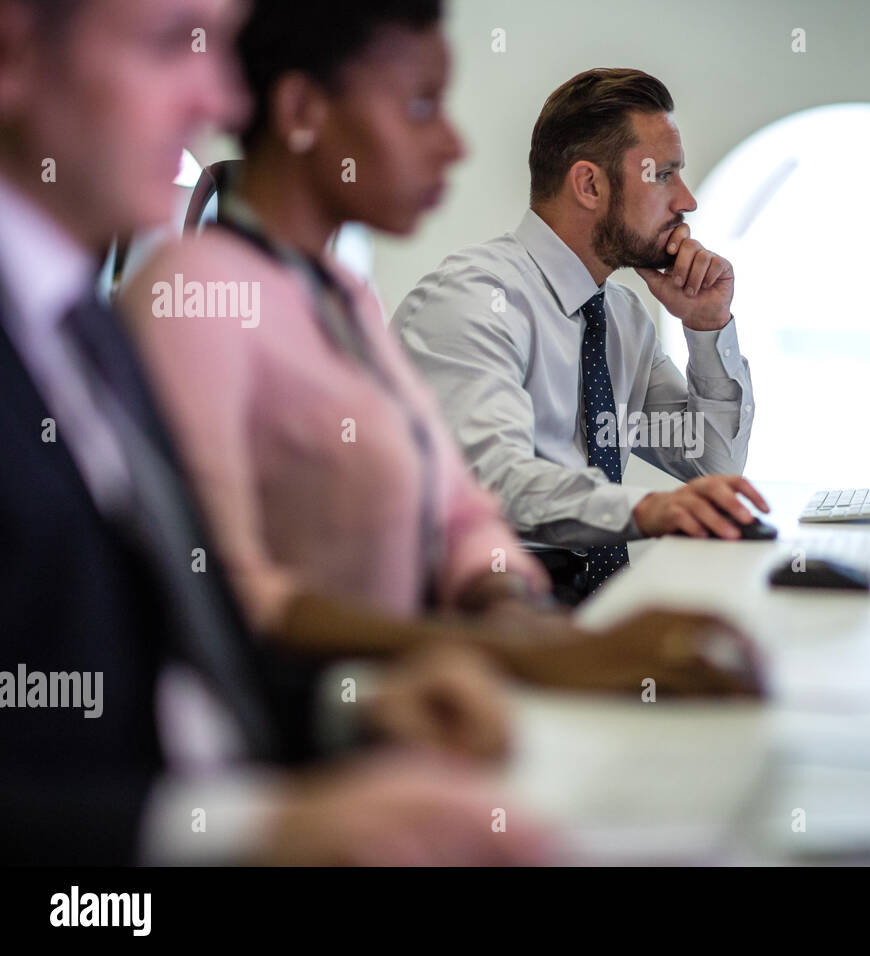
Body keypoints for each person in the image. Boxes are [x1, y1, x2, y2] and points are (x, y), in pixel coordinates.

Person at [0, 0, 545, 865]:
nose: (219, 103)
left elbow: (174, 662)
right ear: (14, 48)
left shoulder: (83, 329)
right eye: (165, 45)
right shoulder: (181, 298)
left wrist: (359, 706)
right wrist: (253, 829)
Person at [118, 1, 764, 695]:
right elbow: (223, 594)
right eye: (421, 106)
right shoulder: (201, 296)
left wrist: (526, 621)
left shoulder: (343, 296)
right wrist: (537, 645)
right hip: (325, 718)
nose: (454, 144)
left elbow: (460, 512)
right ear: (304, 111)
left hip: (453, 653)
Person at [392, 68, 767, 603]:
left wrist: (706, 330)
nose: (686, 200)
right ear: (590, 185)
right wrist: (642, 510)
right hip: (489, 601)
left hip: (589, 596)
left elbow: (711, 462)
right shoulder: (474, 300)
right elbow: (493, 482)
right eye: (662, 175)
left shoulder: (619, 315)